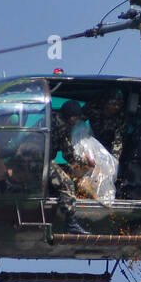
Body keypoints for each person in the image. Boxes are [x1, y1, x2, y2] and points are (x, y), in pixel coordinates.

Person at [49, 100, 89, 234]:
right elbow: (68, 154)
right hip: (38, 160)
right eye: (75, 117)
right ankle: (71, 223)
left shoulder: (54, 118)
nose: (76, 121)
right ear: (69, 115)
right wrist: (86, 162)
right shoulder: (62, 125)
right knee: (67, 184)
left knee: (69, 170)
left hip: (40, 159)